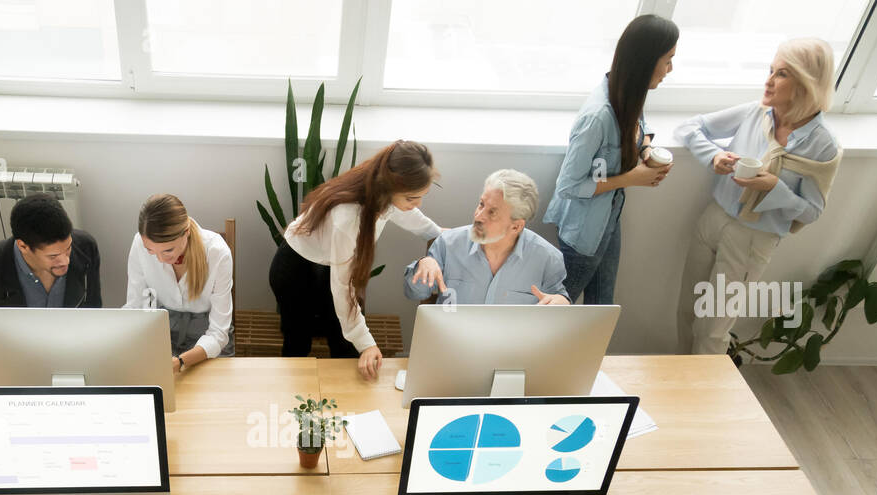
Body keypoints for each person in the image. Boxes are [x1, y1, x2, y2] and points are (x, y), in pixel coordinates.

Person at [674, 38, 842, 355]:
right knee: (687, 311)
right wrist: (713, 156)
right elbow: (689, 127)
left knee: (713, 329)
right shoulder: (757, 112)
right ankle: (682, 385)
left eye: (781, 74)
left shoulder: (823, 145)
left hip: (753, 239)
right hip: (713, 218)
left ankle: (700, 395)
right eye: (770, 70)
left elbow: (812, 212)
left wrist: (774, 189)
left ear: (805, 84)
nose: (768, 81)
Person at [269, 139, 442, 380]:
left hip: (327, 264)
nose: (418, 204)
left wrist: (444, 236)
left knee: (343, 345)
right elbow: (343, 289)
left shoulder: (381, 190)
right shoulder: (349, 218)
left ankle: (344, 408)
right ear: (391, 186)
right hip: (295, 270)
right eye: (413, 198)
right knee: (298, 343)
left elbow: (410, 215)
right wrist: (367, 344)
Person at [545, 15, 679, 305]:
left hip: (609, 216)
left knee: (601, 306)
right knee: (555, 310)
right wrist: (632, 178)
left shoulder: (629, 93)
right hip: (583, 229)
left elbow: (639, 124)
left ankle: (592, 353)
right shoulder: (597, 117)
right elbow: (569, 185)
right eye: (667, 60)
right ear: (646, 60)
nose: (670, 69)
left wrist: (645, 150)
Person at [404, 169, 569, 306]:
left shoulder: (547, 258)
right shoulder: (448, 244)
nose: (479, 216)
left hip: (515, 343)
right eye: (481, 204)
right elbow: (414, 292)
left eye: (492, 212)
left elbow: (558, 298)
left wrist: (562, 302)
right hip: (455, 341)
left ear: (516, 226)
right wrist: (423, 265)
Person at [124, 194, 234, 375]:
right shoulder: (138, 243)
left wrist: (181, 361)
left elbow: (218, 333)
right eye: (150, 250)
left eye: (168, 250)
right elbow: (137, 307)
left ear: (186, 233)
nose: (160, 259)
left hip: (208, 336)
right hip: (161, 331)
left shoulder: (217, 253)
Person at [0, 193, 102, 309]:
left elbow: (93, 309)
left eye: (68, 248)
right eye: (53, 256)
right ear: (23, 247)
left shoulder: (86, 247)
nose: (65, 261)